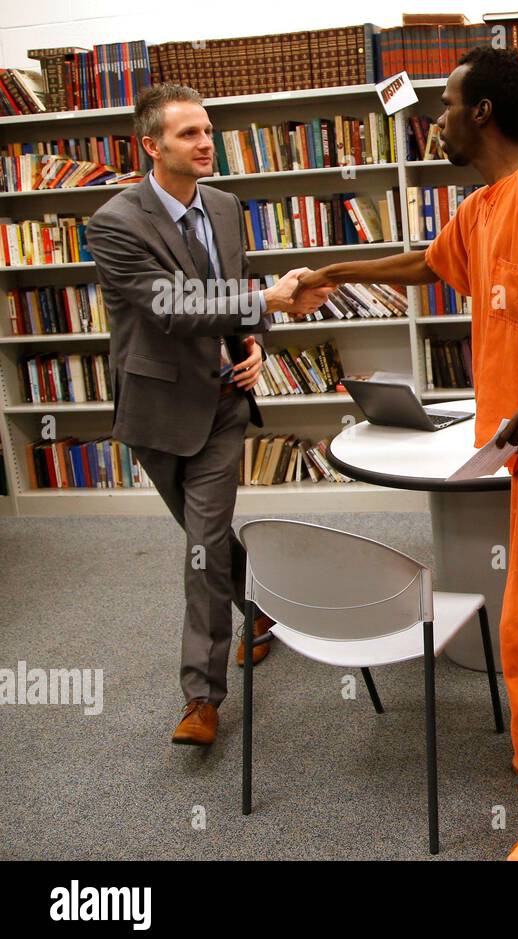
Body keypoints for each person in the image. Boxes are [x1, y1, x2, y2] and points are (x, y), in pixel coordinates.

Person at [291, 46, 518, 860]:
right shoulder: (490, 202)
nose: (438, 118)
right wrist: (332, 269)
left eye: (448, 103)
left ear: (483, 112)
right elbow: (427, 262)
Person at [85, 84, 333, 746]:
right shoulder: (114, 223)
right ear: (151, 146)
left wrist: (256, 345)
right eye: (189, 133)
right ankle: (260, 609)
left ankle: (201, 696)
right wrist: (266, 303)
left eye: (208, 131)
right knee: (211, 540)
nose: (205, 143)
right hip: (158, 411)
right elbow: (171, 305)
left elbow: (237, 291)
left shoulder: (224, 207)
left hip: (223, 402)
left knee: (201, 546)